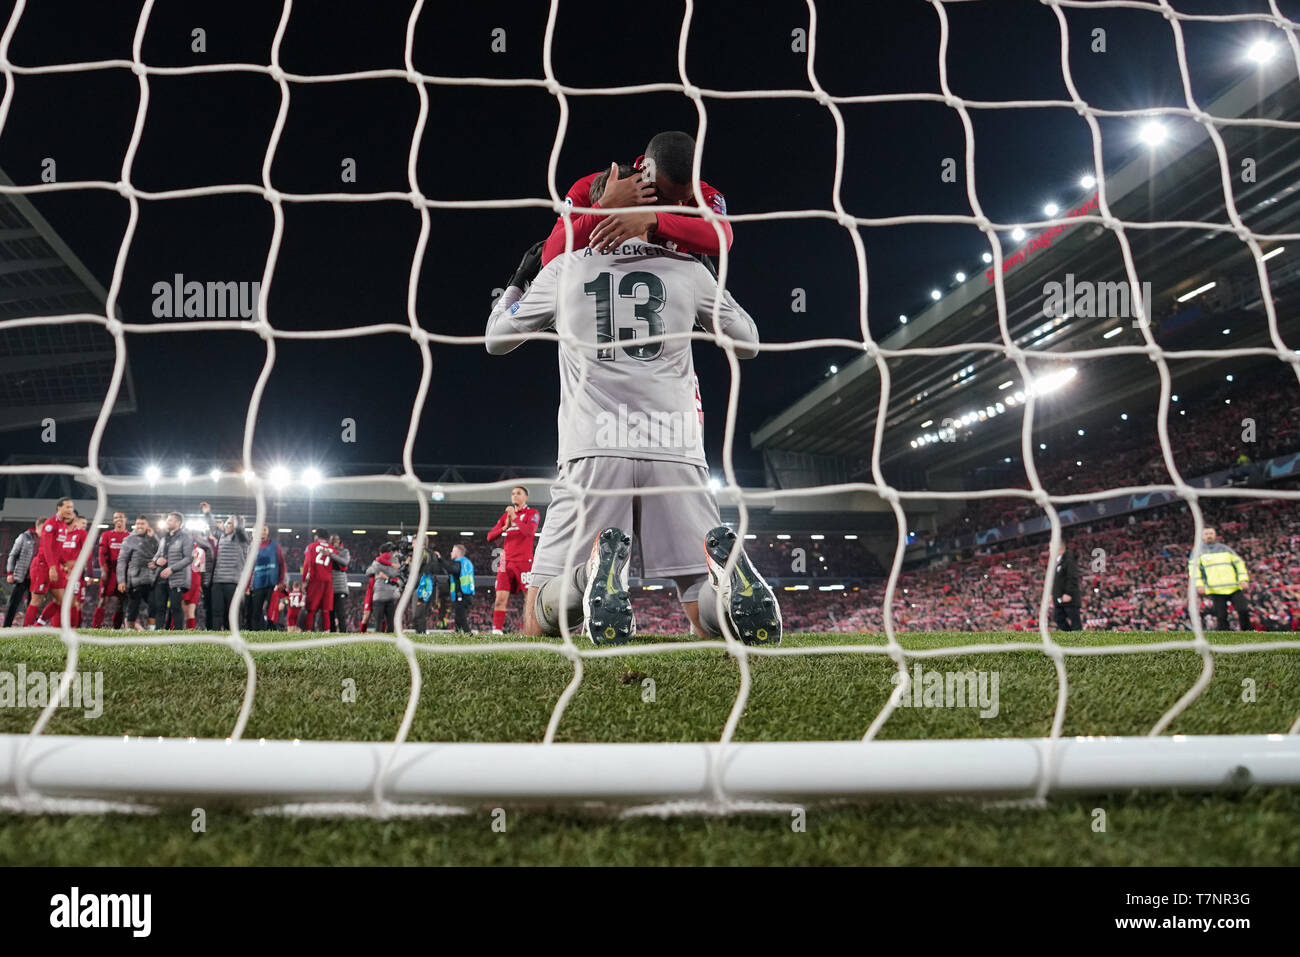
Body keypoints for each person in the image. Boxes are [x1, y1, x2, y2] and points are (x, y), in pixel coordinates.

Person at [485, 165, 777, 646]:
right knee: (698, 598)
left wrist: (519, 280)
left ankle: (586, 579)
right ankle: (726, 592)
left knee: (538, 621)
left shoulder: (565, 268)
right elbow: (748, 341)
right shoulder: (684, 267)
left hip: (594, 447)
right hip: (677, 447)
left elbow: (497, 340)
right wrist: (694, 295)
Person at [486, 486, 540, 634]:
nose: (514, 496)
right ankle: (497, 631)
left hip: (524, 561)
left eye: (518, 493)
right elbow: (490, 537)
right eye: (513, 493)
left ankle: (531, 631)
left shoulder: (532, 513)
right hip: (505, 563)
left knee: (529, 600)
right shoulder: (506, 516)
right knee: (499, 599)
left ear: (526, 497)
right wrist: (505, 527)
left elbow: (530, 532)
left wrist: (515, 519)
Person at [1190, 525, 1251, 631]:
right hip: (1215, 590)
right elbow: (1194, 570)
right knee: (1221, 616)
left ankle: (1248, 633)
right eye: (1206, 534)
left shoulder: (1226, 549)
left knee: (1243, 610)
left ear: (1215, 535)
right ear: (1202, 537)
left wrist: (1243, 579)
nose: (1209, 536)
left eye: (1211, 534)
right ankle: (1225, 639)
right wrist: (1199, 585)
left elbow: (1239, 564)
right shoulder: (1197, 552)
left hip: (1234, 587)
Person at [26, 497, 75, 626]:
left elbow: (58, 549)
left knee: (62, 601)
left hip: (55, 567)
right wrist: (52, 567)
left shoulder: (63, 525)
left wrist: (65, 563)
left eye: (71, 507)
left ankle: (39, 625)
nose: (71, 510)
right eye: (68, 507)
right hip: (42, 566)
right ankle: (25, 633)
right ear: (59, 508)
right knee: (36, 601)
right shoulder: (50, 524)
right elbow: (46, 548)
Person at [202, 503, 250, 630]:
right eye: (227, 523)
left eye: (230, 523)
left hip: (233, 582)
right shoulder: (222, 536)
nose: (227, 525)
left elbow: (240, 529)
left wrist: (238, 520)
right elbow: (213, 528)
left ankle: (234, 636)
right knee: (216, 611)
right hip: (218, 581)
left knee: (232, 613)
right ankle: (217, 636)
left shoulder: (241, 538)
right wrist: (207, 513)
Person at [150, 512, 195, 630]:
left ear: (177, 523)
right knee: (159, 607)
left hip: (177, 578)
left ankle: (178, 633)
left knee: (175, 607)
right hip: (161, 577)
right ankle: (158, 633)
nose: (167, 522)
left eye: (170, 520)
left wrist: (172, 569)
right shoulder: (164, 538)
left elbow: (188, 558)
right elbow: (157, 555)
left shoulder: (186, 537)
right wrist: (156, 561)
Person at [117, 515, 159, 630]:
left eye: (142, 524)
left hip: (151, 577)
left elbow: (160, 553)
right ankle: (129, 630)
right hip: (135, 578)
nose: (140, 526)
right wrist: (121, 580)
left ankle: (152, 629)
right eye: (138, 524)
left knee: (154, 604)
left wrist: (153, 538)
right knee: (133, 606)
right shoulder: (129, 539)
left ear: (147, 526)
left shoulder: (153, 538)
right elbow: (121, 560)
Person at [90, 512, 129, 628]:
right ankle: (95, 627)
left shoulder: (131, 537)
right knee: (103, 600)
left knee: (121, 603)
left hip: (124, 574)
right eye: (116, 517)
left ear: (125, 519)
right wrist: (103, 569)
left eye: (121, 517)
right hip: (110, 572)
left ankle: (116, 629)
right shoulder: (106, 535)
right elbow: (102, 554)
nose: (118, 519)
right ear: (113, 520)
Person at [299, 529, 338, 632]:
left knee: (311, 609)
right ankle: (326, 632)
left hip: (315, 579)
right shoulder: (332, 549)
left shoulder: (311, 546)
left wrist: (303, 581)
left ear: (316, 536)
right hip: (328, 581)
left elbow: (307, 563)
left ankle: (308, 631)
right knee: (326, 610)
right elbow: (342, 566)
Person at [249, 525, 287, 630]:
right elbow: (249, 568)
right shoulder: (252, 547)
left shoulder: (275, 545)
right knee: (256, 611)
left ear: (267, 531)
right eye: (260, 530)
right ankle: (256, 632)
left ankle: (272, 631)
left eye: (264, 530)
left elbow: (282, 564)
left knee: (272, 610)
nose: (262, 532)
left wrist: (281, 581)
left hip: (272, 583)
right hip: (258, 583)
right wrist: (247, 585)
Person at [4, 523, 38, 627]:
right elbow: (13, 555)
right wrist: (10, 572)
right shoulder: (24, 537)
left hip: (35, 577)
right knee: (14, 602)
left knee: (32, 603)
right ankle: (6, 626)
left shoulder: (45, 539)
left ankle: (28, 626)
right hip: (21, 576)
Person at [437, 544, 475, 634]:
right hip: (467, 594)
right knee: (458, 616)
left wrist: (441, 560)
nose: (451, 553)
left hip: (461, 594)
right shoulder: (467, 563)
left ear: (458, 553)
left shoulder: (459, 562)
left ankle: (468, 635)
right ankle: (457, 634)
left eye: (453, 551)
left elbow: (452, 569)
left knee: (461, 617)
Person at [366, 548, 405, 633]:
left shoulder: (376, 563)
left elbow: (368, 572)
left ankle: (379, 641)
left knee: (378, 621)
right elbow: (399, 577)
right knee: (390, 621)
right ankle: (391, 641)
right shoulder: (396, 563)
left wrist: (384, 576)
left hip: (378, 596)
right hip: (391, 595)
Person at [1052, 540, 1082, 632]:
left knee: (1075, 621)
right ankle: (1070, 638)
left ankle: (1078, 642)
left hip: (1069, 598)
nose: (1050, 550)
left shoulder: (1069, 560)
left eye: (1051, 547)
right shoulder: (1058, 562)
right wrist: (1052, 594)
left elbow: (1072, 577)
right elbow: (1057, 581)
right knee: (1058, 618)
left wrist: (1068, 593)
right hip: (1059, 598)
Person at [327, 534, 351, 632]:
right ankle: (332, 634)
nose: (334, 542)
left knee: (341, 613)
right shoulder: (326, 551)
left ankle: (343, 634)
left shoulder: (344, 551)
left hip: (340, 586)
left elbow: (345, 562)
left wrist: (331, 554)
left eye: (336, 540)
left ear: (339, 541)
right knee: (330, 613)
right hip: (329, 587)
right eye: (332, 540)